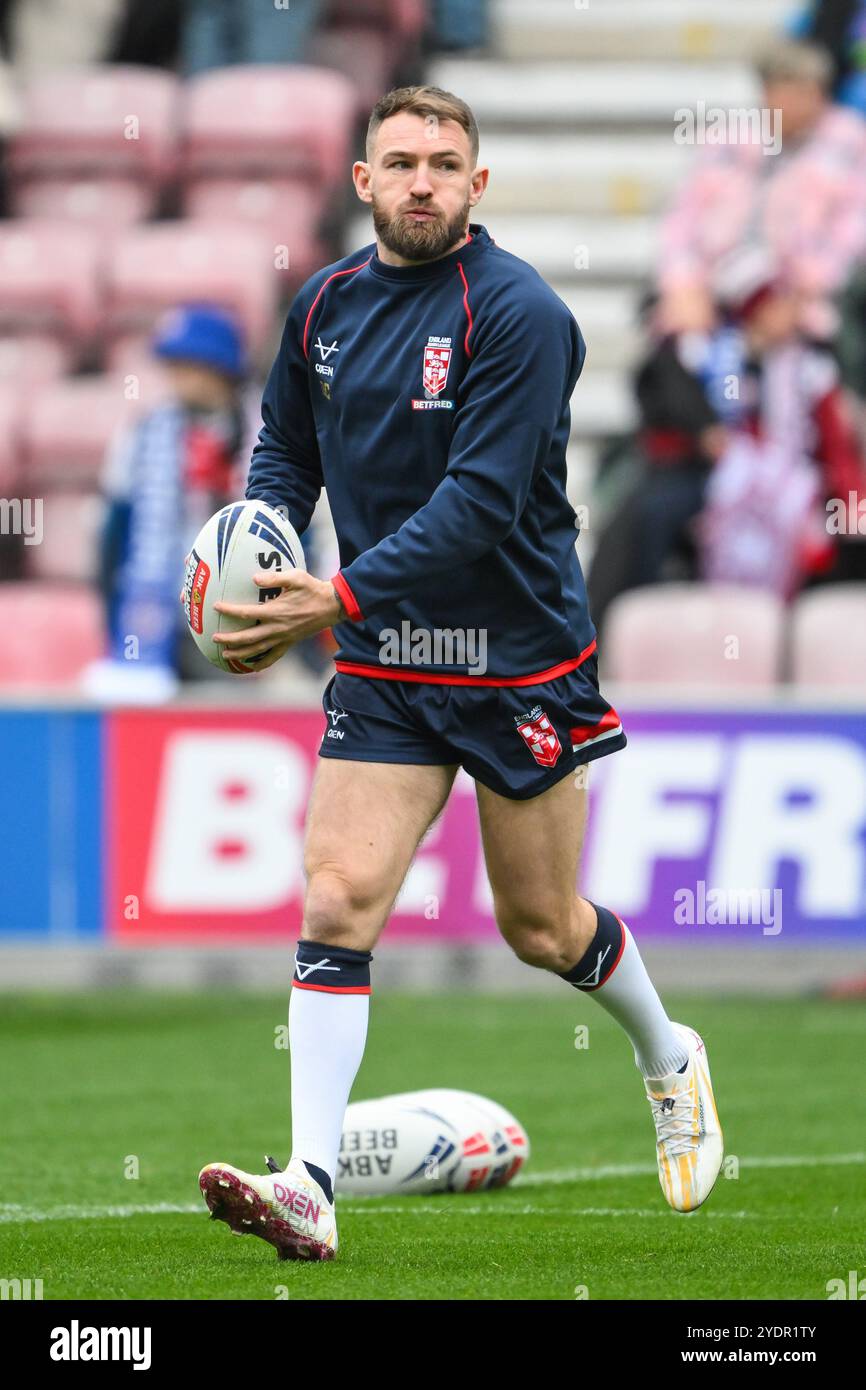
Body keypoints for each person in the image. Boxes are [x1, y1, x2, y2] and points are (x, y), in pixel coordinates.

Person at [197, 85, 723, 1262]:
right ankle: (311, 1185)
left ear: (476, 185)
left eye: (444, 161)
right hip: (384, 661)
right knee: (336, 898)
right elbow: (285, 443)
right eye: (401, 161)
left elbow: (481, 503)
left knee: (539, 926)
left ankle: (663, 1049)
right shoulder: (323, 307)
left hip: (513, 656)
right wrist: (265, 541)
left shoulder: (520, 311)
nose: (422, 179)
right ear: (363, 182)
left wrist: (330, 592)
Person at [84, 304, 256, 702]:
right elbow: (114, 533)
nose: (177, 377)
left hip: (237, 622)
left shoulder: (265, 432)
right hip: (157, 617)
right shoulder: (144, 432)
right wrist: (115, 618)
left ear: (220, 368)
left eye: (188, 364)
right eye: (173, 364)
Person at [657, 40, 866, 345]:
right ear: (766, 92)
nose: (798, 103)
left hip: (804, 303)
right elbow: (683, 221)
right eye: (787, 91)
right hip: (719, 293)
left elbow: (851, 235)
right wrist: (684, 285)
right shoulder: (729, 140)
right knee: (678, 355)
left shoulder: (847, 143)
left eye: (808, 92)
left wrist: (800, 298)